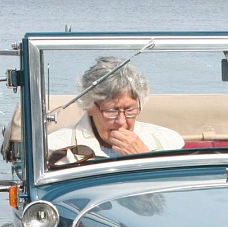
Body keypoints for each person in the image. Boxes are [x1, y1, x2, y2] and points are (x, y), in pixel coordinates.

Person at [46, 56, 183, 164]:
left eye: (129, 110)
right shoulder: (57, 148)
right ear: (90, 107)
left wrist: (143, 158)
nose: (121, 121)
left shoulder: (168, 142)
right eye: (111, 111)